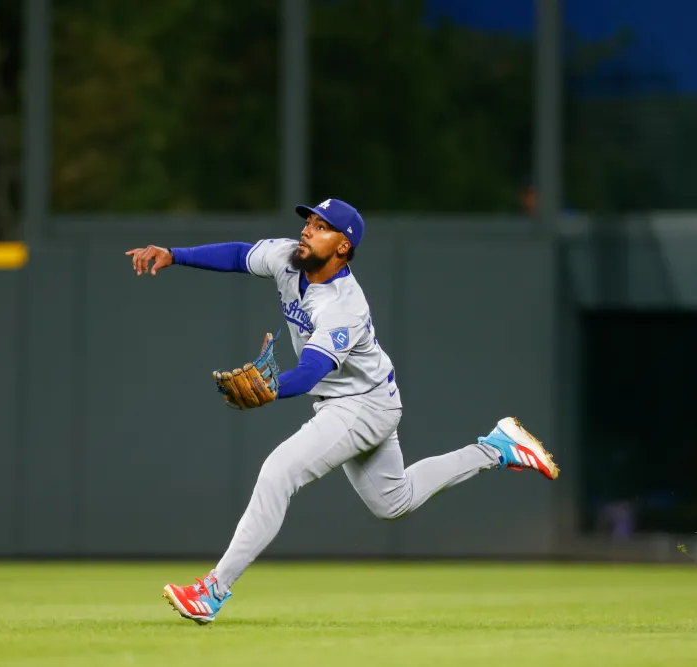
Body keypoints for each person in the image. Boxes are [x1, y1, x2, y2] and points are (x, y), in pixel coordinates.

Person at [124, 198, 559, 625]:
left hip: (361, 404)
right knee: (394, 501)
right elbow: (240, 254)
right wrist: (174, 255)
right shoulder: (286, 257)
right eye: (309, 220)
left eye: (321, 226)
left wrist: (270, 389)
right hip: (364, 398)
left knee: (279, 471)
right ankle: (497, 448)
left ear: (343, 246)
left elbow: (311, 371)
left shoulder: (344, 306)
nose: (308, 229)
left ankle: (213, 591)